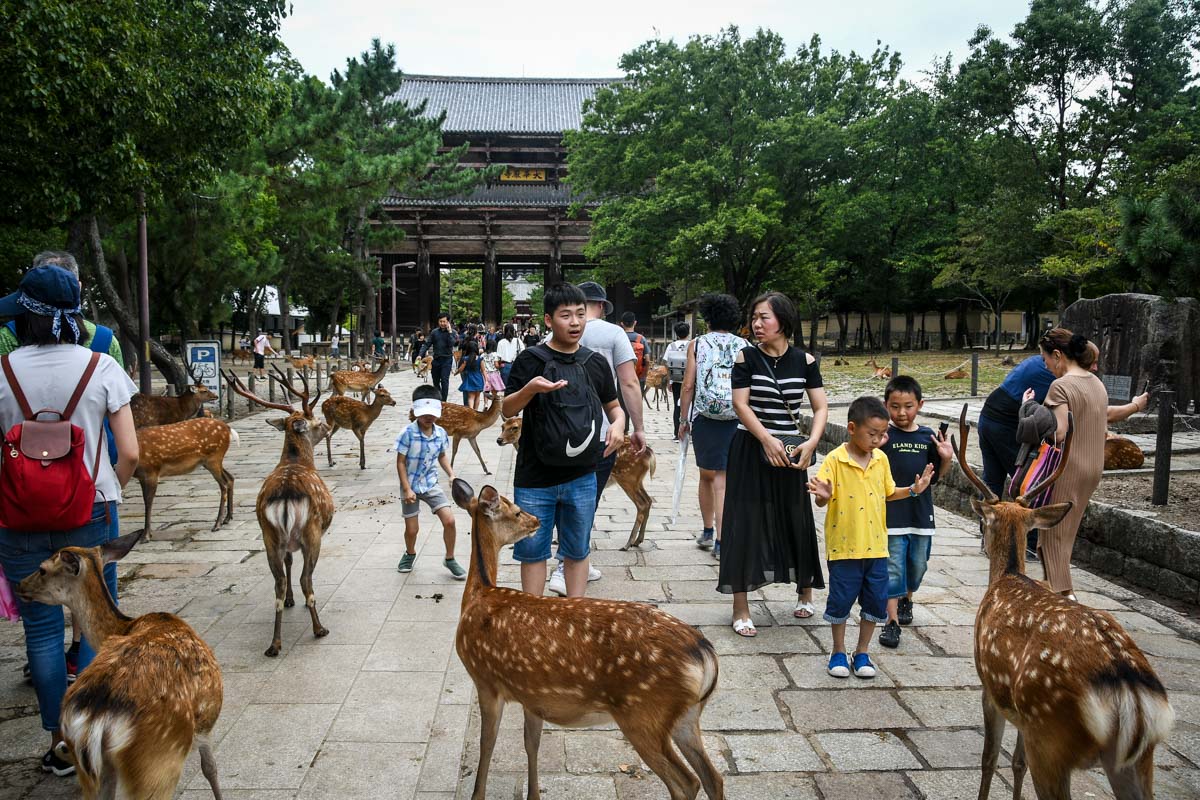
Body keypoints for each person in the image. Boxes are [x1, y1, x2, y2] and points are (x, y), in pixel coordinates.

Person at [0, 265, 139, 776]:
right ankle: (98, 733)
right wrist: (106, 489)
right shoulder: (102, 366)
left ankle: (61, 742)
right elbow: (130, 452)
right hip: (91, 512)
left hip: (18, 520)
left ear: (26, 316)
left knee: (40, 633)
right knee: (97, 624)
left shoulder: (2, 370)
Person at [502, 283, 624, 599]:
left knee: (577, 549)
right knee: (532, 552)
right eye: (565, 315)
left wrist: (619, 424)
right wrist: (530, 389)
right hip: (535, 477)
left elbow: (613, 406)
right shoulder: (530, 359)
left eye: (580, 315)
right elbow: (507, 409)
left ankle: (575, 614)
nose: (575, 322)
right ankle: (535, 615)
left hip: (582, 475)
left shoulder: (595, 362)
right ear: (548, 319)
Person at [717, 292, 828, 636]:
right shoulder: (745, 357)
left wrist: (812, 442)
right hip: (751, 448)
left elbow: (821, 407)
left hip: (791, 452)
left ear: (784, 320)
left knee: (796, 515)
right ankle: (740, 607)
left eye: (764, 317)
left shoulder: (804, 361)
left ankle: (805, 590)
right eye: (754, 317)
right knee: (744, 521)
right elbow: (740, 404)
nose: (757, 324)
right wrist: (765, 439)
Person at [807, 396, 934, 678]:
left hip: (877, 549)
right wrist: (823, 496)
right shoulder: (835, 460)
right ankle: (838, 651)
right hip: (844, 549)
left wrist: (913, 490)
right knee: (840, 601)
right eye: (872, 434)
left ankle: (862, 652)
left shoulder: (881, 459)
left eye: (882, 434)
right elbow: (821, 498)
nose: (877, 440)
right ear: (852, 428)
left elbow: (889, 493)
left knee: (876, 602)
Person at [541, 281, 646, 596]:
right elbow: (629, 383)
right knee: (586, 501)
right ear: (601, 305)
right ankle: (566, 566)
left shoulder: (553, 333)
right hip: (601, 433)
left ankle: (578, 561)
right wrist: (638, 427)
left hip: (559, 433)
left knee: (563, 497)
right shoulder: (614, 334)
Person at [1027, 329, 1108, 599]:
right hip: (1092, 467)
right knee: (1066, 533)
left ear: (1058, 355)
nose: (1045, 365)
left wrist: (1032, 411)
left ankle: (1065, 597)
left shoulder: (1060, 386)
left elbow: (1059, 433)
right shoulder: (1096, 383)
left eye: (1045, 358)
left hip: (1066, 469)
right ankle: (1055, 592)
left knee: (1053, 535)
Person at [877, 376, 954, 649]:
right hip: (891, 515)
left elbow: (937, 478)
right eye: (895, 406)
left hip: (921, 516)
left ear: (920, 404)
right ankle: (891, 621)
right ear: (885, 405)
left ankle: (908, 598)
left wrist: (946, 458)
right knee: (893, 568)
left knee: (917, 565)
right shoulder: (883, 436)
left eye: (908, 406)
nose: (901, 413)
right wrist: (875, 447)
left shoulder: (928, 437)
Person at [678, 294, 749, 560]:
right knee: (724, 478)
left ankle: (711, 532)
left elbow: (688, 385)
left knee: (707, 476)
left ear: (707, 318)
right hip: (736, 417)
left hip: (705, 418)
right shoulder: (744, 345)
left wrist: (683, 420)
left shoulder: (697, 344)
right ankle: (722, 539)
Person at [395, 385, 465, 579]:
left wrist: (451, 474)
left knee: (450, 520)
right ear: (416, 411)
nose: (428, 417)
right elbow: (400, 462)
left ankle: (450, 558)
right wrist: (407, 489)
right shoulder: (407, 433)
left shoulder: (441, 433)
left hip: (431, 483)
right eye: (424, 413)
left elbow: (441, 456)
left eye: (432, 413)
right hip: (410, 486)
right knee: (412, 529)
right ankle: (410, 553)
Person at [664, 321, 691, 437]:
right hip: (690, 381)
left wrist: (669, 380)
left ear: (676, 333)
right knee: (690, 406)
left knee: (677, 405)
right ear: (688, 332)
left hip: (675, 380)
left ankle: (676, 433)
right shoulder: (692, 345)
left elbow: (666, 363)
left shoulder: (671, 346)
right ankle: (689, 432)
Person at [425, 313, 458, 401]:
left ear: (448, 322)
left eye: (444, 321)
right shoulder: (434, 332)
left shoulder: (453, 332)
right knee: (435, 381)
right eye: (440, 321)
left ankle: (444, 401)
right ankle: (439, 398)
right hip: (436, 359)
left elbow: (452, 344)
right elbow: (427, 344)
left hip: (447, 359)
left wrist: (449, 332)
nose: (442, 323)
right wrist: (420, 355)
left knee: (444, 380)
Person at [620, 311, 649, 393]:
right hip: (638, 375)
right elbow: (647, 360)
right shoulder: (641, 338)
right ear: (635, 322)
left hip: (622, 376)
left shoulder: (619, 337)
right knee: (637, 398)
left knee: (622, 399)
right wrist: (644, 375)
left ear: (622, 324)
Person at [456, 339, 484, 410]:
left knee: (471, 397)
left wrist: (456, 373)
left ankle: (471, 411)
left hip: (469, 378)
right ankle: (476, 411)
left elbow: (461, 369)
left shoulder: (466, 359)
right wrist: (487, 380)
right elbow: (483, 370)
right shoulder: (480, 359)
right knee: (477, 396)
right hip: (478, 378)